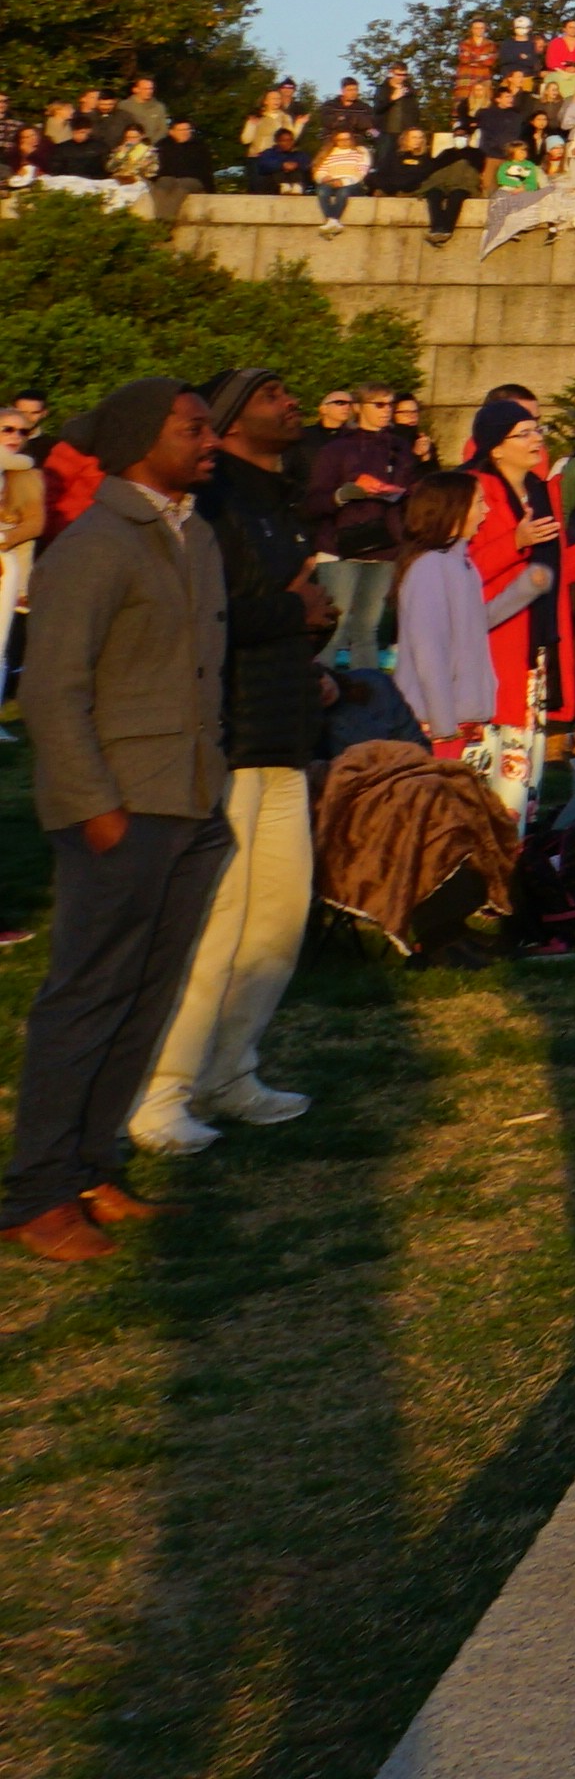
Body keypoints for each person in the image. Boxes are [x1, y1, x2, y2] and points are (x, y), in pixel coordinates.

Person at [13, 383, 230, 1265]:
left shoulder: (196, 535)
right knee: (86, 998)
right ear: (144, 441)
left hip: (189, 802)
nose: (210, 440)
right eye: (194, 428)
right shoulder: (95, 545)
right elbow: (50, 692)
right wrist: (93, 808)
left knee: (145, 996)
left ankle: (90, 1168)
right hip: (120, 809)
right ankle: (34, 1195)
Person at [138, 364, 334, 1145]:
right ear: (227, 421)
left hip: (281, 735)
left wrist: (310, 653)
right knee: (217, 925)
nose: (291, 403)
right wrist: (295, 609)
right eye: (270, 395)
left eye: (290, 389)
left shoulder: (279, 503)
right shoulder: (211, 506)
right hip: (230, 737)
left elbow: (278, 615)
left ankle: (230, 1071)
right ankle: (159, 1092)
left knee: (276, 924)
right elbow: (206, 620)